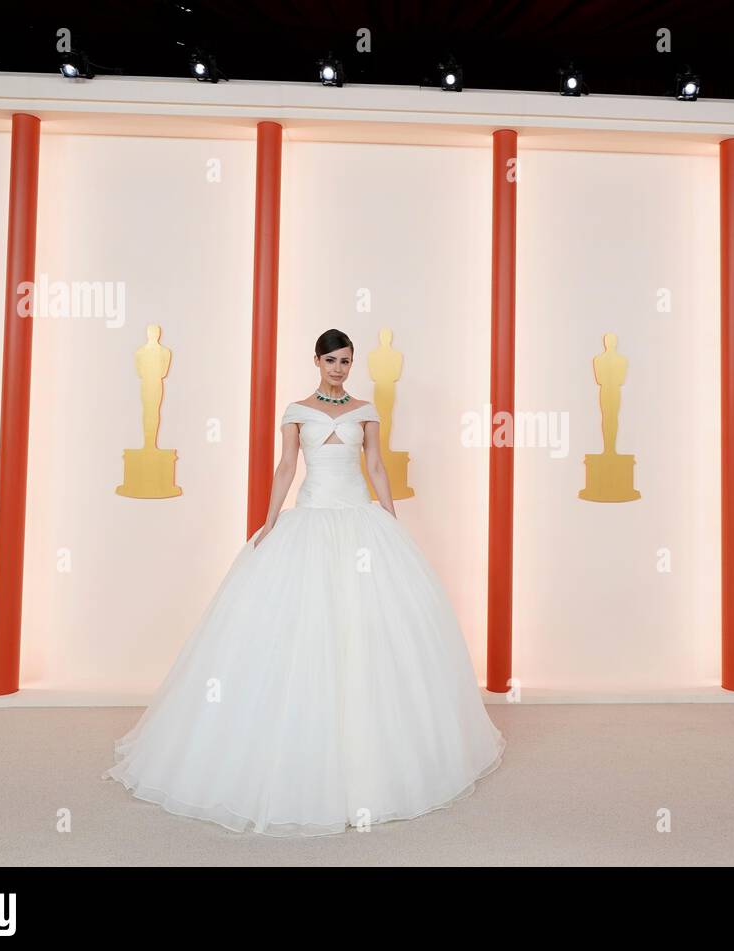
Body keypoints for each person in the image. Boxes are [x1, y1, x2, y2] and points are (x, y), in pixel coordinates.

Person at [102, 328, 505, 835]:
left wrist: (391, 519)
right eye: (332, 360)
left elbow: (376, 465)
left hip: (360, 519)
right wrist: (270, 523)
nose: (339, 368)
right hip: (309, 517)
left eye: (346, 361)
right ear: (316, 360)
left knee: (369, 633)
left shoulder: (366, 410)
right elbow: (286, 466)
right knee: (298, 634)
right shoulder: (295, 410)